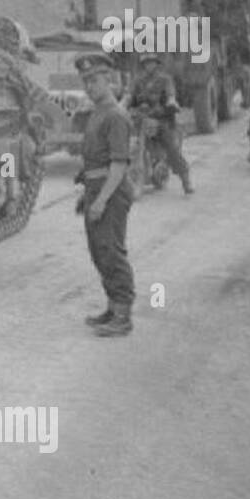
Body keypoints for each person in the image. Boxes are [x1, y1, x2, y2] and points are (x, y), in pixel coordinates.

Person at [74, 52, 135, 337]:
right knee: (99, 252)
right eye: (86, 81)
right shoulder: (97, 112)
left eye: (95, 80)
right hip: (95, 188)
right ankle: (112, 307)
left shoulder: (115, 115)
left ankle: (123, 316)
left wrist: (101, 200)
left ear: (108, 80)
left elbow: (119, 164)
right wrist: (86, 192)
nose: (89, 86)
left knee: (111, 251)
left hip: (110, 191)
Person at [127, 55, 194, 194]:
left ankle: (185, 178)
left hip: (160, 120)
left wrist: (171, 101)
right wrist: (121, 105)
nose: (149, 65)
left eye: (151, 62)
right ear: (143, 65)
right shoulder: (138, 81)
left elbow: (170, 94)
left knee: (171, 149)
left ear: (156, 64)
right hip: (140, 119)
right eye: (146, 63)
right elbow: (129, 96)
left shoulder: (165, 79)